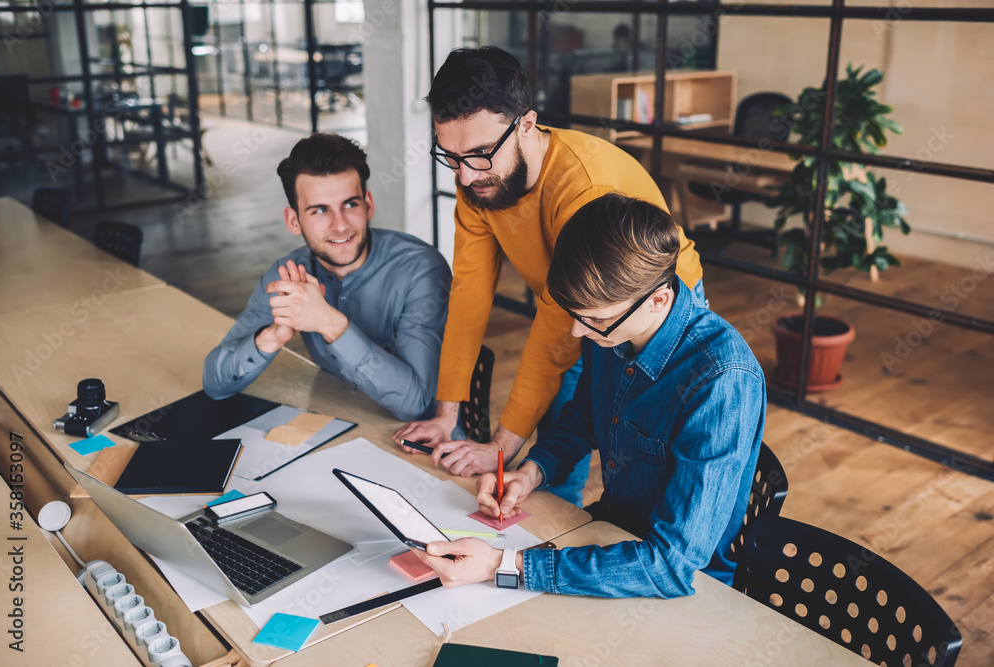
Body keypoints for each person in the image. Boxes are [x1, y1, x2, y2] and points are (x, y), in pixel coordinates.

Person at [393, 46, 705, 506]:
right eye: (451, 157)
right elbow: (470, 292)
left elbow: (557, 325)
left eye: (479, 153)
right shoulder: (478, 178)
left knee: (651, 458)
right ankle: (550, 548)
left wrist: (501, 447)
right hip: (577, 309)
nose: (463, 176)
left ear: (526, 123)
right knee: (559, 435)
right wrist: (446, 414)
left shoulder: (585, 189)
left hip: (648, 307)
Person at [414, 193, 765, 597]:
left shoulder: (722, 381)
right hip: (608, 535)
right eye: (576, 315)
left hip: (678, 584)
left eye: (594, 319)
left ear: (659, 300)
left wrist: (502, 565)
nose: (579, 332)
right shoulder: (616, 324)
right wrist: (531, 472)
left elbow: (670, 565)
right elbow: (583, 418)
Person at [203, 133, 451, 421]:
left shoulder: (420, 269)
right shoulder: (289, 274)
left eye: (350, 204)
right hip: (345, 422)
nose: (340, 224)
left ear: (368, 204)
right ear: (293, 221)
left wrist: (330, 323)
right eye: (319, 210)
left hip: (426, 447)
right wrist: (272, 336)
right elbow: (214, 385)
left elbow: (416, 405)